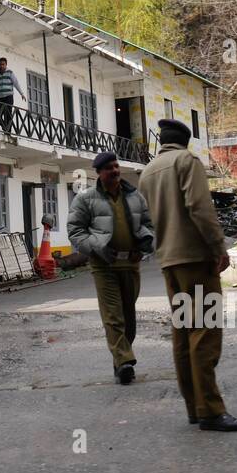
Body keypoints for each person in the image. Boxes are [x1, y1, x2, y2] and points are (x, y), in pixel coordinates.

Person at [141, 118, 237, 432]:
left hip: (169, 262)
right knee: (205, 331)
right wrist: (219, 247)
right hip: (196, 259)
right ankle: (212, 410)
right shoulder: (186, 161)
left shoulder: (148, 171)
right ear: (185, 142)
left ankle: (194, 406)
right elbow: (200, 208)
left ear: (162, 140)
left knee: (183, 333)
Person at [67, 151, 155, 384]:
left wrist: (145, 243)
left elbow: (148, 225)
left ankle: (120, 359)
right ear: (99, 173)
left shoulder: (135, 196)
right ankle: (125, 361)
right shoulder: (85, 199)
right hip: (104, 266)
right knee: (113, 315)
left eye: (116, 166)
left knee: (128, 318)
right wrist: (96, 247)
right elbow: (75, 232)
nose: (114, 171)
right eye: (109, 168)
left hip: (131, 264)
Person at [0, 58, 21, 135]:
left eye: (3, 64)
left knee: (8, 115)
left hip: (8, 97)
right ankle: (5, 128)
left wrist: (21, 93)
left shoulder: (10, 73)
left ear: (6, 65)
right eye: (0, 64)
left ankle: (8, 132)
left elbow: (16, 83)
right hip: (0, 98)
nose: (2, 66)